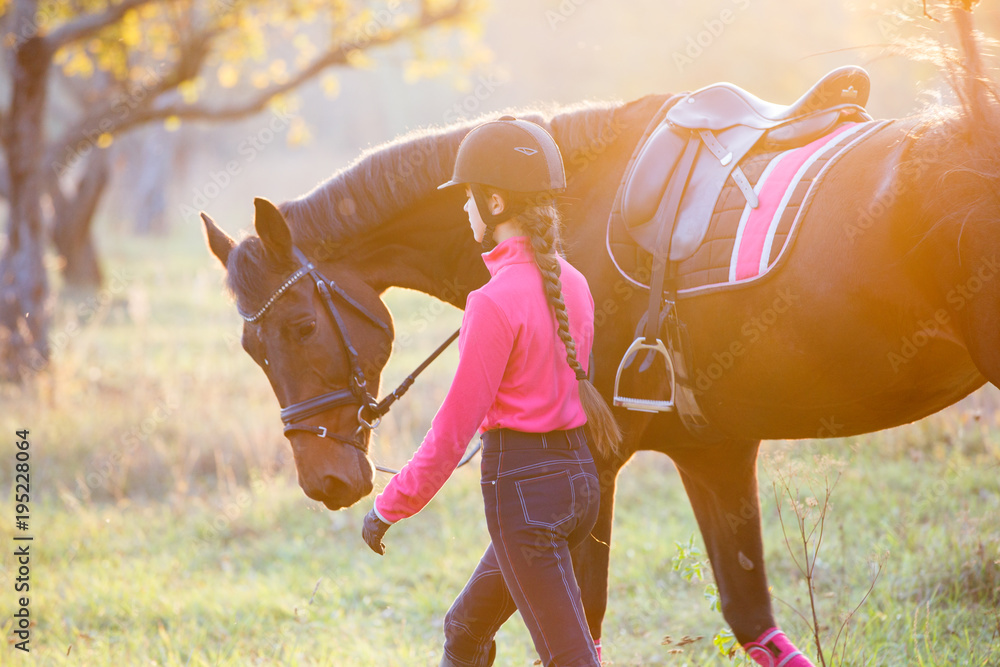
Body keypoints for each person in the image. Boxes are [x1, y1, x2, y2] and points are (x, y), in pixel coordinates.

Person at [361, 115, 622, 667]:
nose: (464, 209)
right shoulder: (573, 282)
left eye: (469, 198)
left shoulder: (492, 302)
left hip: (524, 499)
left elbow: (453, 430)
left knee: (570, 660)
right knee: (465, 628)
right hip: (578, 485)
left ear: (496, 203)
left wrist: (389, 506)